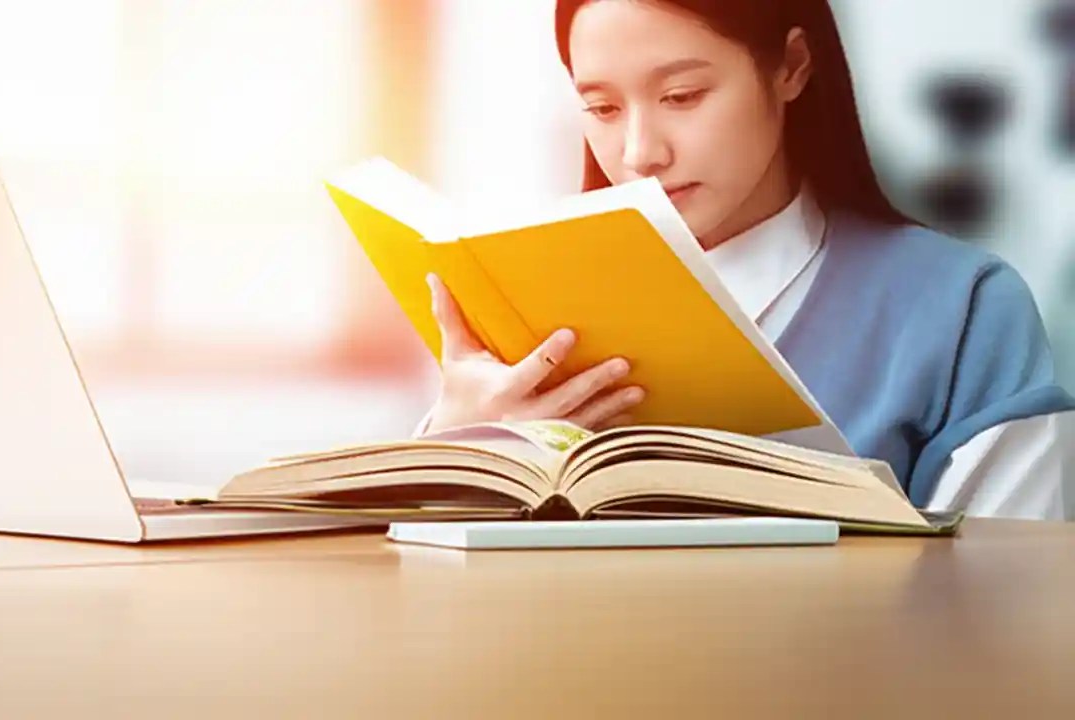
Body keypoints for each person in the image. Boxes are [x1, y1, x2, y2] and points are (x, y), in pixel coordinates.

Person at [419, 0, 1075, 519]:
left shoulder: (961, 308)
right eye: (603, 108)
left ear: (791, 66)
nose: (640, 152)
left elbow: (1008, 600)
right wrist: (456, 446)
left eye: (681, 96)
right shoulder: (531, 310)